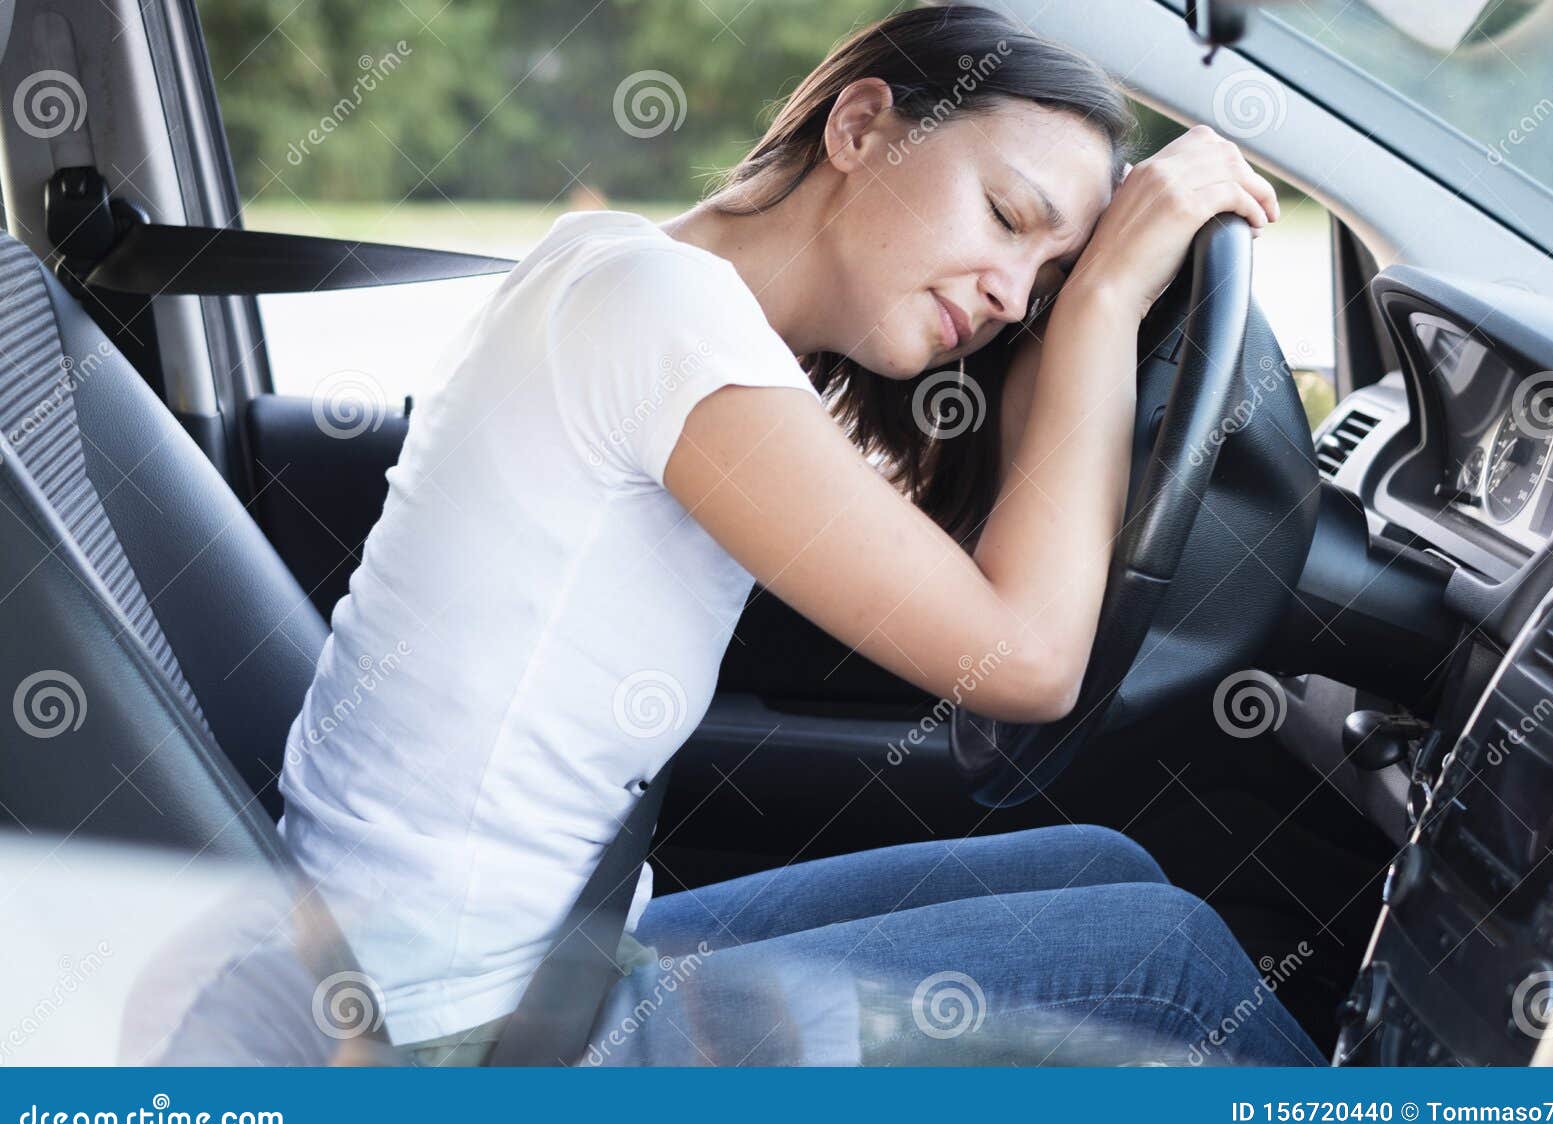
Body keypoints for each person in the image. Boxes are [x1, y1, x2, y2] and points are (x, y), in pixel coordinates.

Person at [277, 4, 1315, 1066]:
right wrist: (1099, 301)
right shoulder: (662, 317)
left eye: (1045, 281)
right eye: (1006, 215)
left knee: (1103, 868)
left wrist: (1060, 339)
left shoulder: (629, 273)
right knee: (1165, 964)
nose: (1013, 295)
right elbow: (1032, 658)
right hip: (451, 1040)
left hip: (525, 966)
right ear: (859, 125)